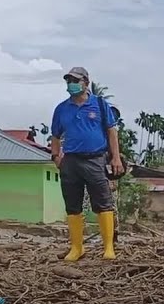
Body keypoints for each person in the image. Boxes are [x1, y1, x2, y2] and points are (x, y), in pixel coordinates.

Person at [49, 66, 124, 261]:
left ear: (86, 82)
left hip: (95, 159)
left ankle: (108, 248)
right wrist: (56, 156)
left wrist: (115, 157)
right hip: (71, 161)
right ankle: (77, 248)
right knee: (72, 205)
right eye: (68, 81)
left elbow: (111, 131)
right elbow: (55, 135)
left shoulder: (99, 104)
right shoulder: (61, 109)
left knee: (103, 203)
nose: (71, 84)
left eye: (75, 81)